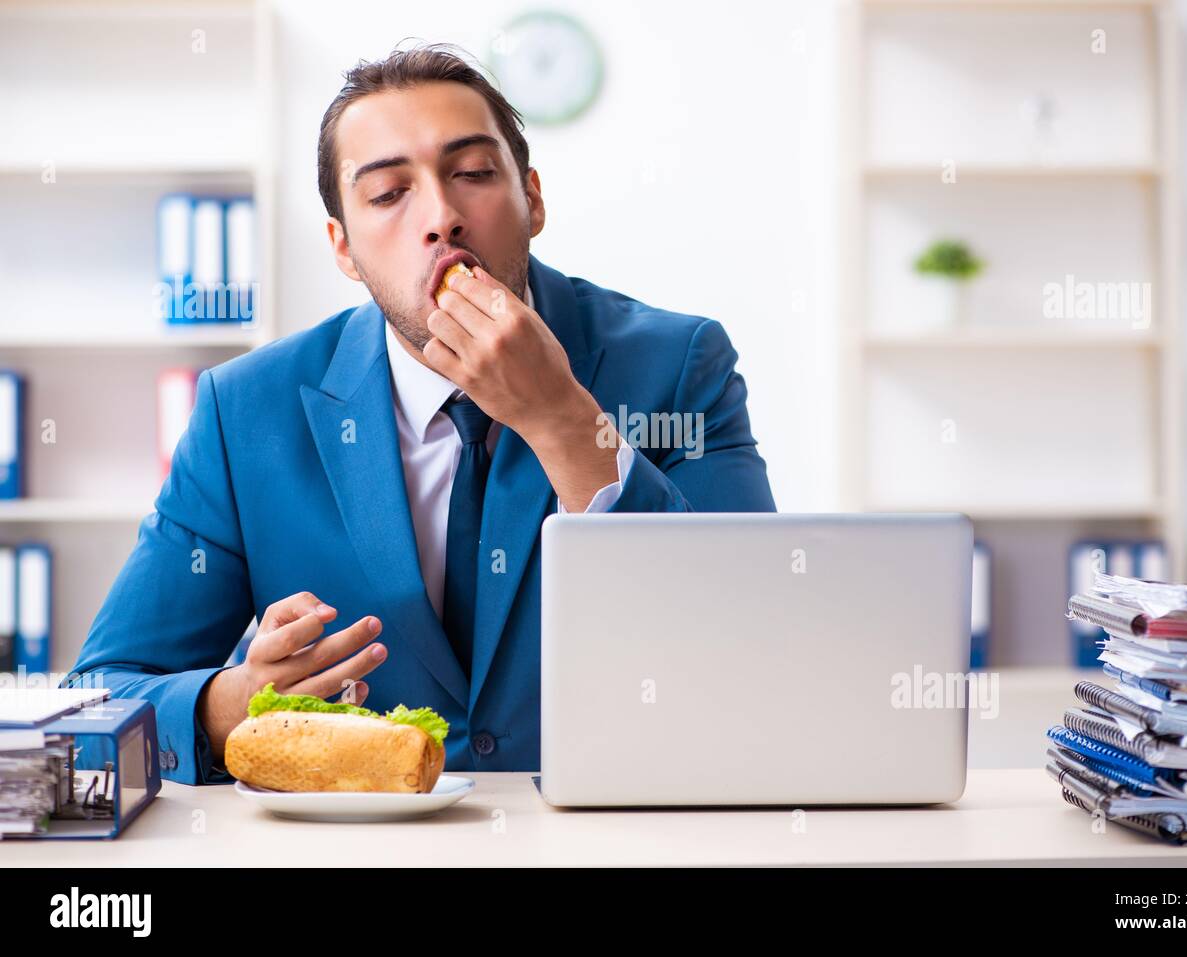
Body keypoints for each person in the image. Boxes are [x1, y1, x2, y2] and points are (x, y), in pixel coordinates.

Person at [68, 43, 776, 783]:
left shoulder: (681, 363)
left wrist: (563, 418)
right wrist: (232, 701)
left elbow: (756, 648)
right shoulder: (245, 412)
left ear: (532, 198)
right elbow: (96, 701)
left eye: (472, 174)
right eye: (387, 194)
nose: (441, 217)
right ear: (343, 246)